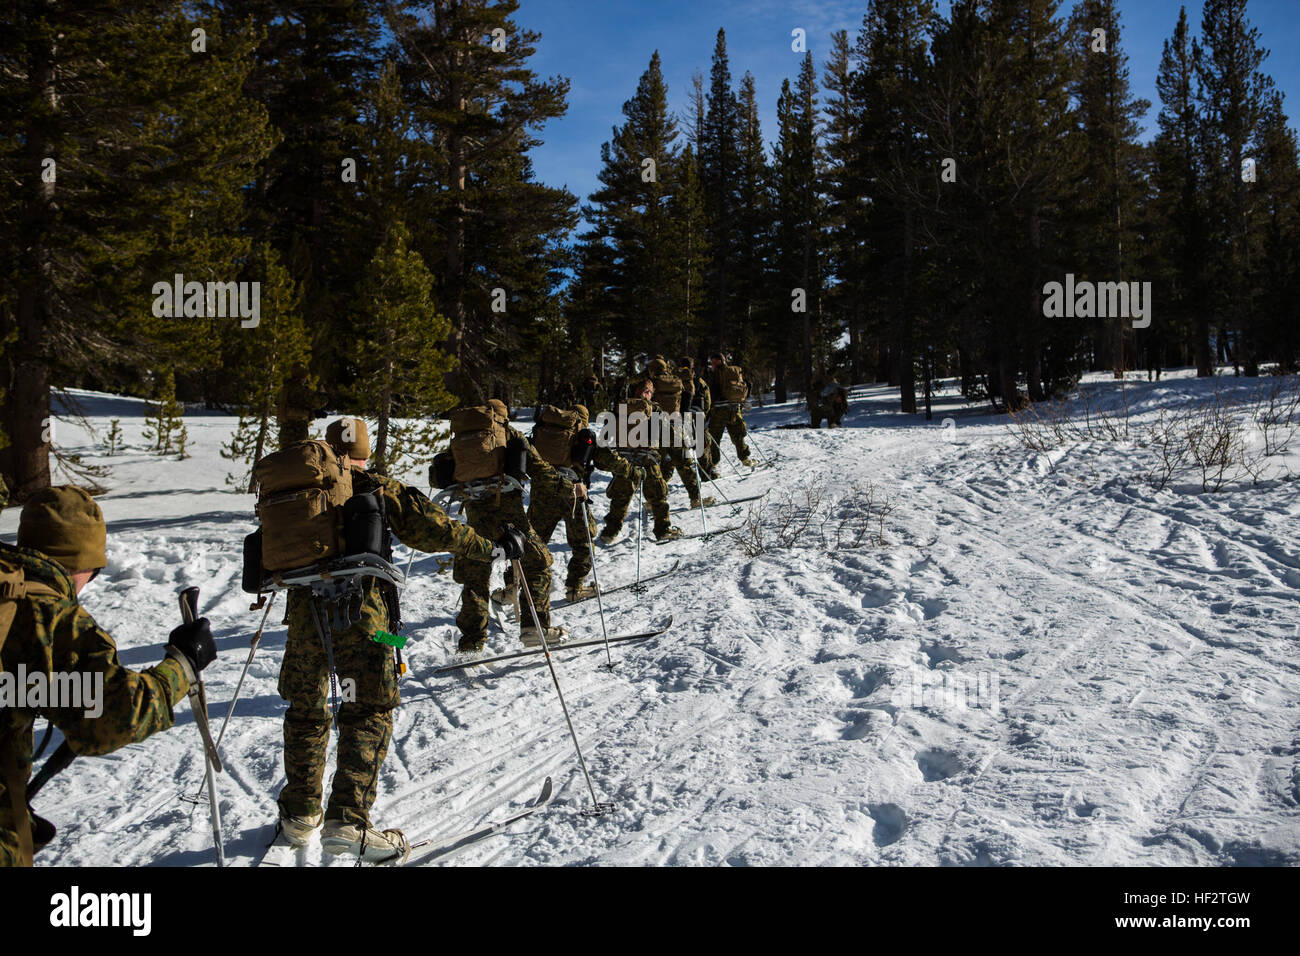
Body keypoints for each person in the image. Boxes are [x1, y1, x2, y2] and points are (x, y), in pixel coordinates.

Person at [273, 418, 502, 862]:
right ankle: (347, 820)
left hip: (303, 616)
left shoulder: (296, 489)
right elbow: (435, 528)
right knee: (368, 709)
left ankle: (300, 812)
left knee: (305, 709)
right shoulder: (376, 486)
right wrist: (486, 546)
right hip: (364, 616)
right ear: (365, 449)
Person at [0, 486, 216, 866]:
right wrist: (182, 665)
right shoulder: (49, 618)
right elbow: (115, 716)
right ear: (79, 563)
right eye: (94, 571)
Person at [445, 400, 568, 654]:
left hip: (475, 520)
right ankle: (534, 628)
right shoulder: (510, 435)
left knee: (475, 579)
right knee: (538, 563)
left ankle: (471, 644)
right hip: (509, 519)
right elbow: (540, 470)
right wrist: (569, 487)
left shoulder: (462, 438)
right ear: (502, 420)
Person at [519, 404, 637, 603]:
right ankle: (574, 587)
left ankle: (514, 585)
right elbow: (609, 460)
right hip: (573, 493)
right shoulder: (583, 435)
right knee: (583, 541)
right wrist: (634, 472)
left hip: (542, 491)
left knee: (534, 541)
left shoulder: (543, 431)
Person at [599, 379, 683, 545]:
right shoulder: (655, 409)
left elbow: (605, 436)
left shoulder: (619, 408)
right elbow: (669, 435)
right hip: (648, 457)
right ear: (644, 393)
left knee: (621, 498)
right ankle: (663, 529)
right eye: (648, 391)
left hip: (624, 459)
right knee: (658, 495)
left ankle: (610, 532)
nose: (649, 394)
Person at [647, 358, 712, 510]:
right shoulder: (676, 380)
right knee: (685, 464)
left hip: (656, 428)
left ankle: (653, 501)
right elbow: (687, 397)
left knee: (657, 466)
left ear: (652, 370)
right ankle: (695, 498)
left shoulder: (651, 383)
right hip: (675, 426)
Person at [703, 352, 753, 476]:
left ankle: (713, 464)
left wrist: (708, 412)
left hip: (719, 411)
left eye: (714, 362)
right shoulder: (734, 372)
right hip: (734, 409)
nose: (713, 364)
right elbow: (748, 385)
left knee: (714, 438)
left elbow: (711, 394)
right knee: (738, 435)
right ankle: (745, 458)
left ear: (718, 362)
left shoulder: (714, 375)